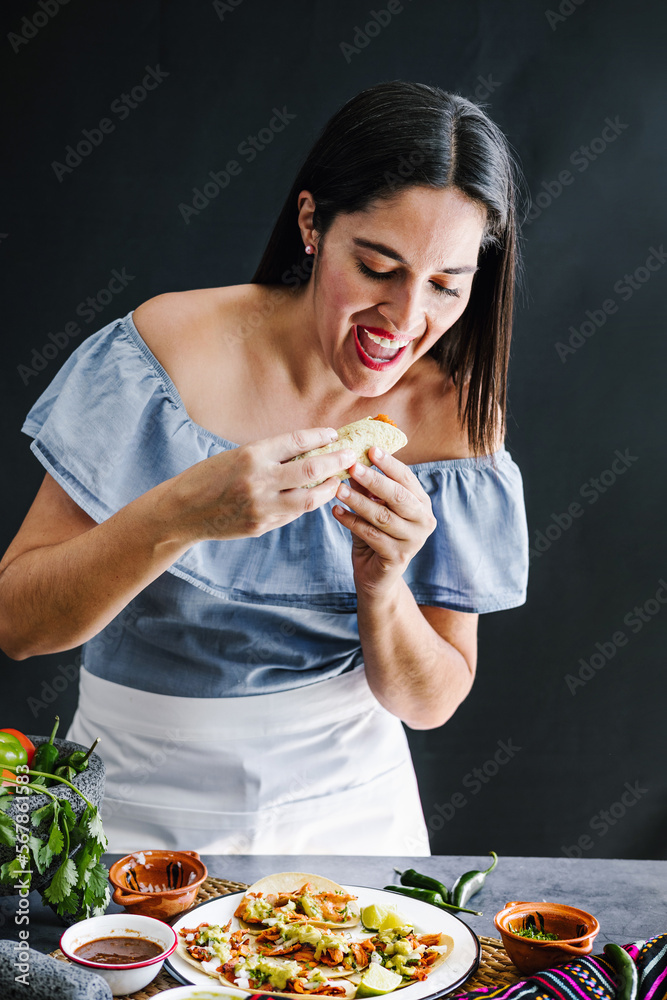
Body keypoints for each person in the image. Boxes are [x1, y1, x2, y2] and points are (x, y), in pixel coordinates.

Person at [0, 81, 528, 855]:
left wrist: (383, 581)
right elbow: (17, 625)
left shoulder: (456, 415)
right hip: (129, 801)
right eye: (378, 266)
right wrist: (180, 513)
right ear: (312, 222)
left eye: (446, 286)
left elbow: (431, 701)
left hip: (350, 817)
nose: (406, 319)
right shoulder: (167, 347)